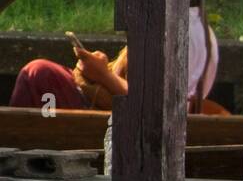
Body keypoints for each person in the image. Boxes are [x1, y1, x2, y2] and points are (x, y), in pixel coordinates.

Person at [9, 7, 218, 112]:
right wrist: (101, 67)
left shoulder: (183, 32)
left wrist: (104, 75)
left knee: (38, 74)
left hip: (124, 116)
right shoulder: (182, 20)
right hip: (110, 99)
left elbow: (158, 104)